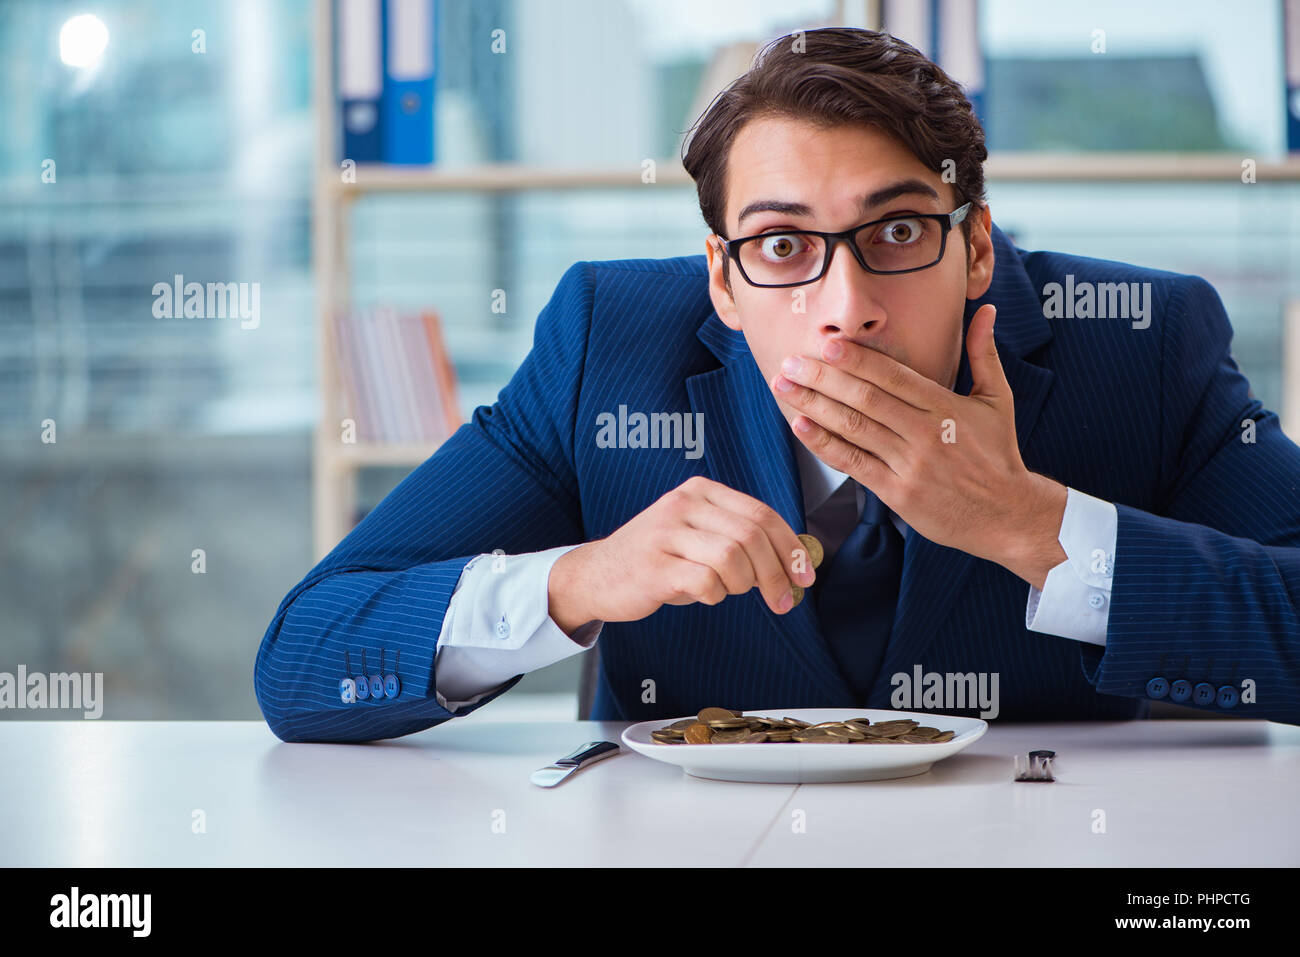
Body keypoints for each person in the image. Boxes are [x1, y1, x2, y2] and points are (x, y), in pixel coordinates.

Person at [255, 27, 1300, 743]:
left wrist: (1040, 527)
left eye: (896, 231)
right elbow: (303, 657)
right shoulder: (606, 344)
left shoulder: (1139, 347)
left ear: (976, 248)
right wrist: (575, 583)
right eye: (783, 245)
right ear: (722, 277)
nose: (845, 305)